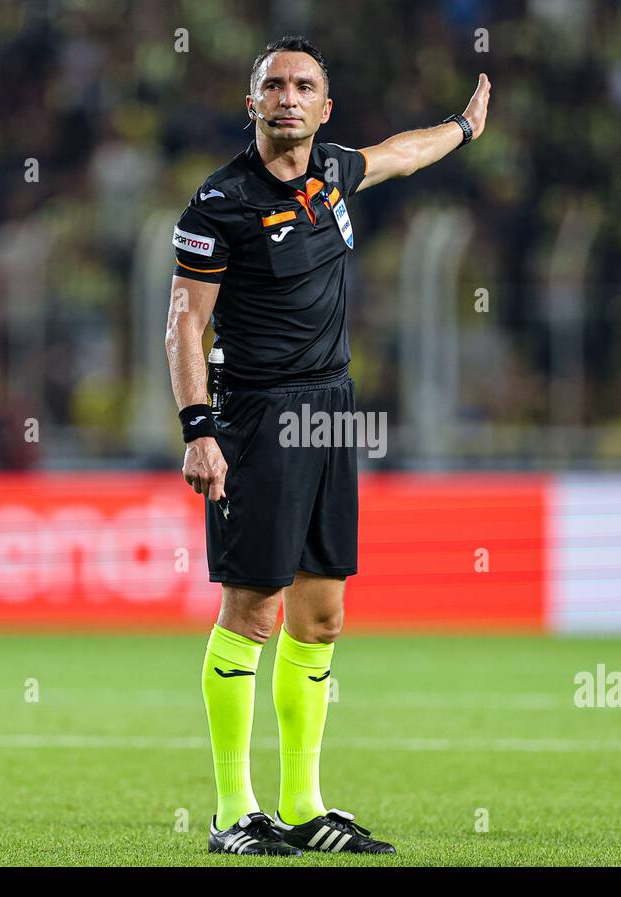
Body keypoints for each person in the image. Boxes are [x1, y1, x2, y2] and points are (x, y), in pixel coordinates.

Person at [164, 36, 490, 855]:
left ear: (325, 106)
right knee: (254, 608)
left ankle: (304, 806)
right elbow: (184, 323)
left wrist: (463, 127)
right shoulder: (218, 204)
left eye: (303, 85)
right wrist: (198, 431)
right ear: (252, 104)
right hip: (255, 414)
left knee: (323, 614)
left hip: (332, 409)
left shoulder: (334, 171)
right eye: (272, 84)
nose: (287, 96)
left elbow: (401, 155)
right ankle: (233, 812)